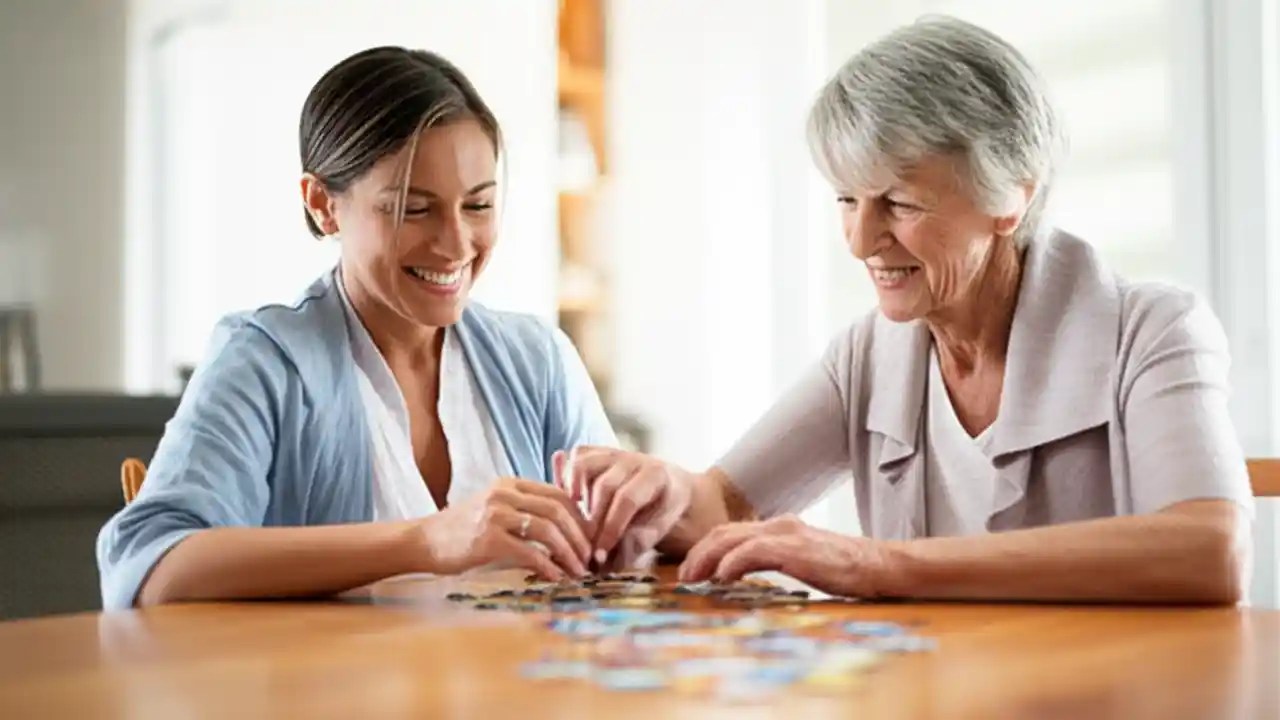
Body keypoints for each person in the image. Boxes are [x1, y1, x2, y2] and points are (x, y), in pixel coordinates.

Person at [564, 16, 1254, 604]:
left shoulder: (1153, 329)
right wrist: (662, 491)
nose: (863, 241)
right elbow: (725, 505)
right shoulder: (867, 355)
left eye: (899, 202)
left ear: (1009, 194)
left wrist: (877, 564)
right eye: (845, 200)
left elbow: (1210, 549)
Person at [97, 47, 614, 610]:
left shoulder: (536, 360)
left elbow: (617, 550)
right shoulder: (266, 363)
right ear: (323, 205)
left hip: (519, 692)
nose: (456, 244)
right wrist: (425, 541)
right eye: (413, 210)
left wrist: (651, 514)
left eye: (478, 205)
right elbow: (151, 569)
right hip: (330, 697)